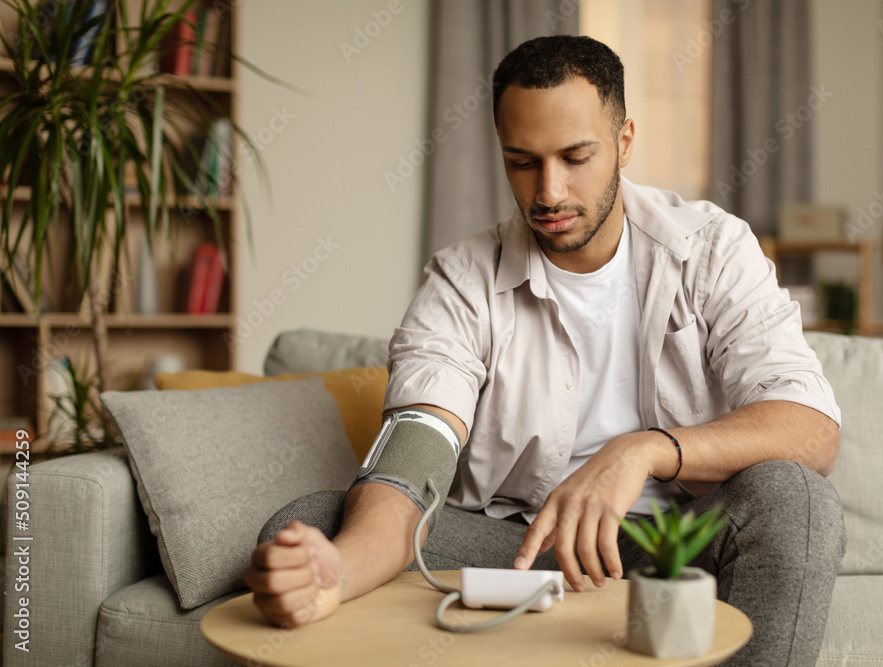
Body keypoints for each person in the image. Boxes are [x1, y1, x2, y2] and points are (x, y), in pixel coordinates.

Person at [244, 35, 845, 666]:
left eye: (576, 156)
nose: (548, 192)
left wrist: (644, 451)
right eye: (522, 161)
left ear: (624, 141)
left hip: (675, 544)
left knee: (794, 499)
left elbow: (811, 431)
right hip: (518, 549)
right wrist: (333, 569)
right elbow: (415, 455)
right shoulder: (461, 281)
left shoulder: (715, 250)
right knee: (312, 522)